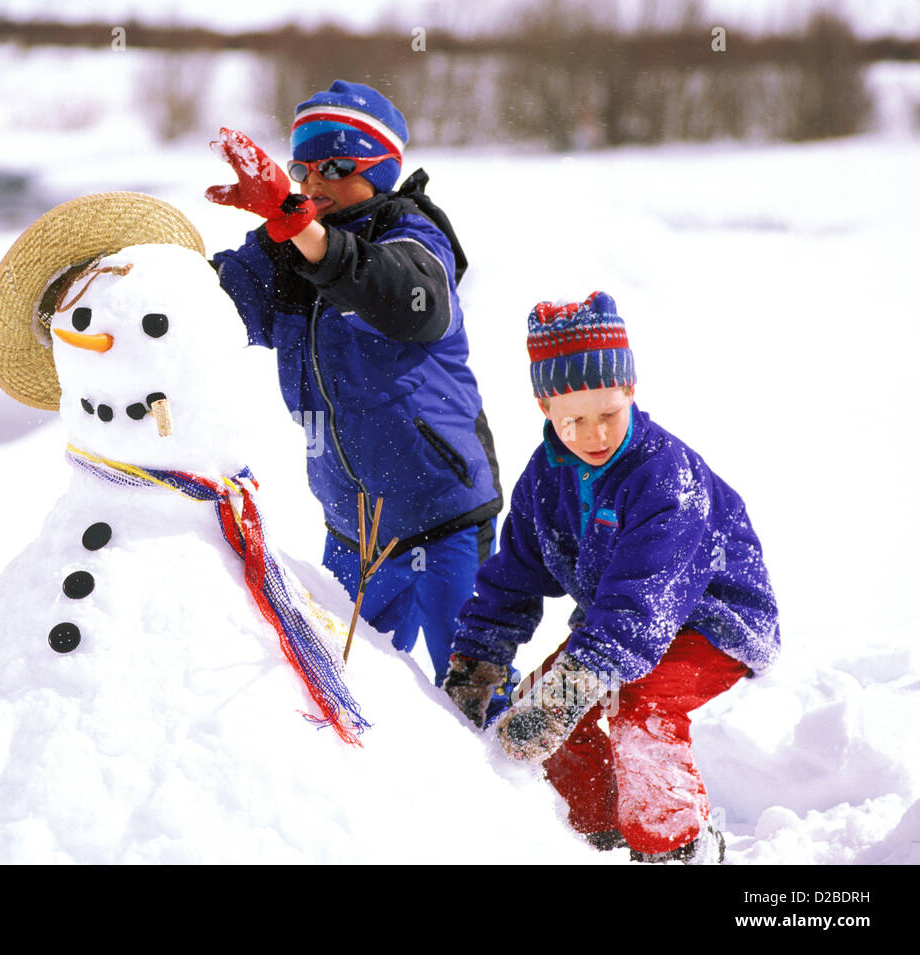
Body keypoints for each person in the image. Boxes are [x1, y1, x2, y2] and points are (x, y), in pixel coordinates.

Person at [445, 291, 780, 863]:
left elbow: (640, 605)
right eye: (573, 420)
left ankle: (675, 846)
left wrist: (567, 694)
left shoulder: (664, 477)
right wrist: (478, 662)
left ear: (630, 389)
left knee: (636, 700)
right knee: (537, 698)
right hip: (622, 630)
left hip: (712, 623)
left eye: (607, 414)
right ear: (544, 406)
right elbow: (513, 578)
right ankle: (598, 834)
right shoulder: (545, 477)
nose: (594, 435)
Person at [206, 80, 502, 687]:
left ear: (381, 169)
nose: (314, 182)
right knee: (348, 690)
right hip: (352, 528)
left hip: (444, 516)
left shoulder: (411, 231)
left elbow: (408, 302)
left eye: (337, 167)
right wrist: (129, 286)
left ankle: (513, 750)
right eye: (302, 170)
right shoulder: (284, 245)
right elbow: (211, 305)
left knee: (472, 690)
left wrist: (302, 229)